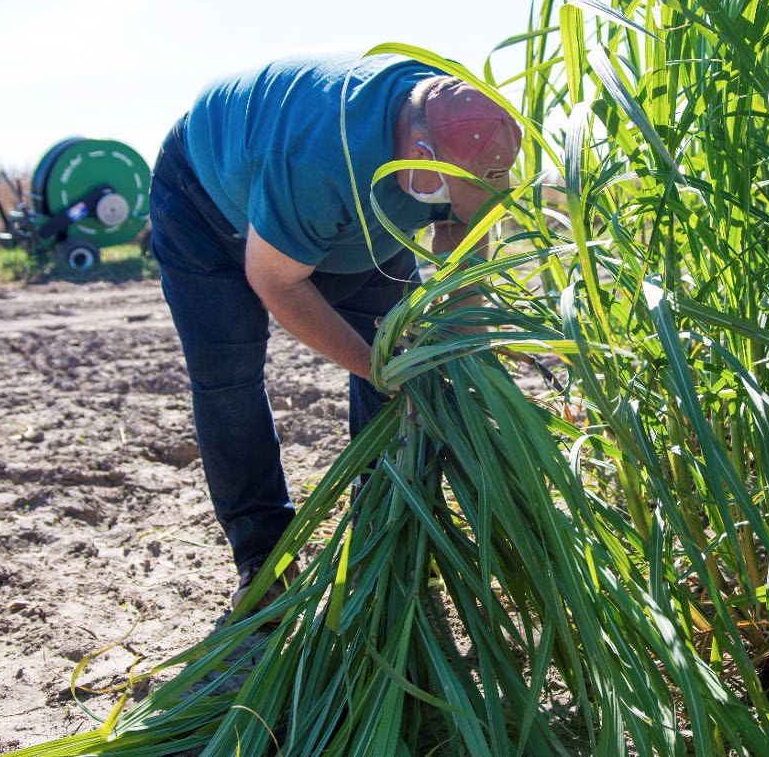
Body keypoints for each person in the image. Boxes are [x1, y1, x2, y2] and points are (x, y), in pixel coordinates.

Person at [148, 51, 522, 612]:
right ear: (417, 154)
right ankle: (263, 557)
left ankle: (382, 533)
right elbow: (275, 281)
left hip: (343, 221)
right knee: (228, 376)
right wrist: (376, 364)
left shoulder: (470, 124)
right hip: (208, 203)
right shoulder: (323, 154)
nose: (451, 205)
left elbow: (464, 243)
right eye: (448, 190)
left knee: (403, 356)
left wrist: (461, 348)